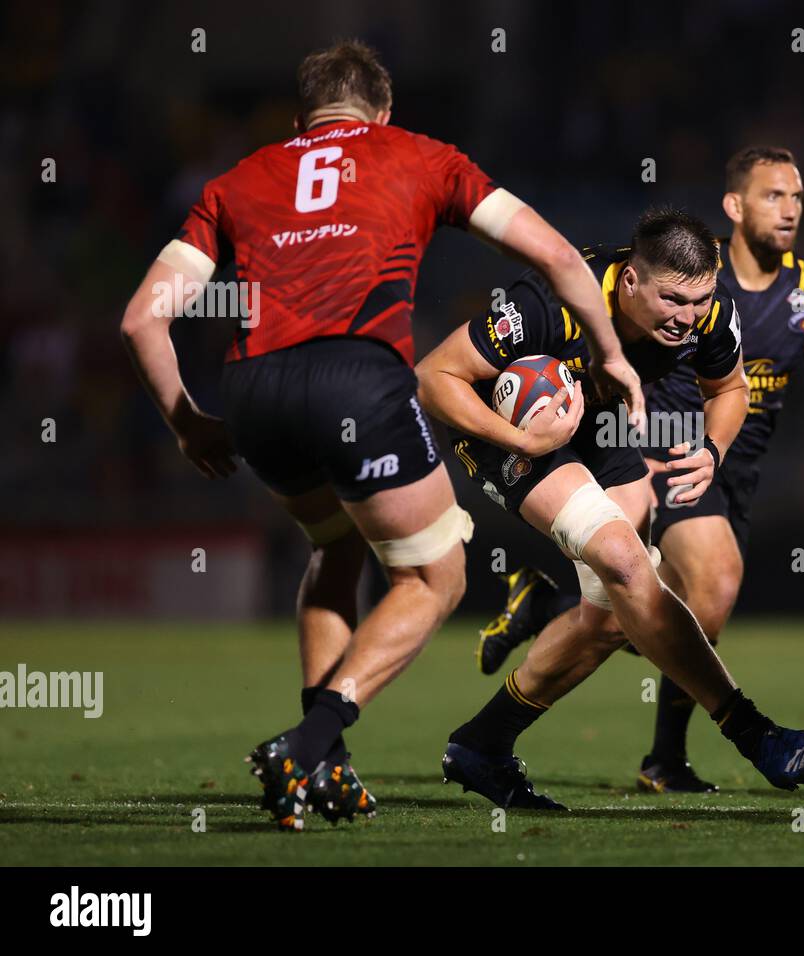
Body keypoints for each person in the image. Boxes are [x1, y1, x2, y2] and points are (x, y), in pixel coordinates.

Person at [120, 40, 642, 830]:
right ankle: (309, 741)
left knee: (335, 548)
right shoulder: (421, 155)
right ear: (383, 112)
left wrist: (188, 422)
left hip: (255, 390)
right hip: (356, 379)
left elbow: (141, 320)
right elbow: (559, 255)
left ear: (301, 120)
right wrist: (608, 353)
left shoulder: (234, 180)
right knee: (437, 578)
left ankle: (322, 769)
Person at [475, 146, 804, 794]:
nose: (790, 209)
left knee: (628, 614)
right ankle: (687, 750)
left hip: (729, 459)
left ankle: (537, 636)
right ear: (734, 206)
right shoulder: (679, 271)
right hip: (663, 450)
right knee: (710, 585)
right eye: (774, 195)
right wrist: (640, 443)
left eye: (797, 197)